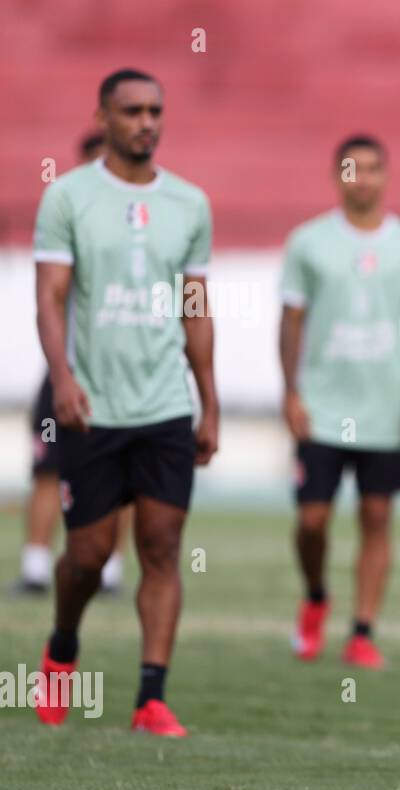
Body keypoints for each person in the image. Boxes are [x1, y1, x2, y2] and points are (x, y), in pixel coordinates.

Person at [31, 68, 219, 736]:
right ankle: (61, 650)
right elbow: (51, 297)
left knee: (163, 545)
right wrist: (62, 376)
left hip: (165, 404)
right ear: (104, 116)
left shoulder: (190, 203)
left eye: (154, 110)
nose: (146, 122)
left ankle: (150, 698)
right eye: (132, 110)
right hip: (93, 406)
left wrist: (209, 402)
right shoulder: (68, 197)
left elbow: (195, 304)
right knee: (88, 555)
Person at [280, 135, 400, 669]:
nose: (362, 177)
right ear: (337, 175)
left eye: (372, 168)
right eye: (352, 168)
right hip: (322, 406)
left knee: (376, 516)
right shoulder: (308, 242)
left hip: (380, 408)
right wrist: (291, 391)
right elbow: (291, 321)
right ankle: (316, 594)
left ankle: (363, 631)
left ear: (385, 175)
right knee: (313, 520)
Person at [15, 130, 131, 596]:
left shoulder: (141, 226)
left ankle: (110, 571)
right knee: (48, 468)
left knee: (125, 477)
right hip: (68, 367)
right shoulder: (64, 219)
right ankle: (36, 567)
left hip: (126, 371)